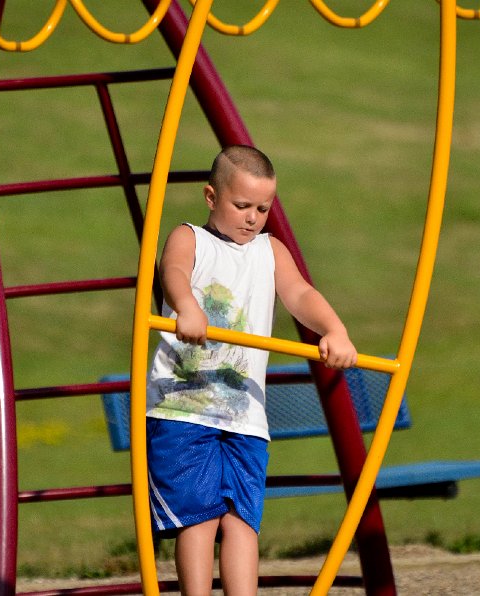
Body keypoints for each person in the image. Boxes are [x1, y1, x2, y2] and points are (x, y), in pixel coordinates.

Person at [146, 145, 357, 595]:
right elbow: (175, 272)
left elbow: (299, 294)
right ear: (211, 196)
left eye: (263, 208)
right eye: (241, 205)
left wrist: (334, 330)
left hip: (244, 414)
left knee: (243, 519)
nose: (252, 218)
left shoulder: (270, 251)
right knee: (199, 518)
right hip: (185, 408)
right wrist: (186, 308)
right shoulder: (190, 238)